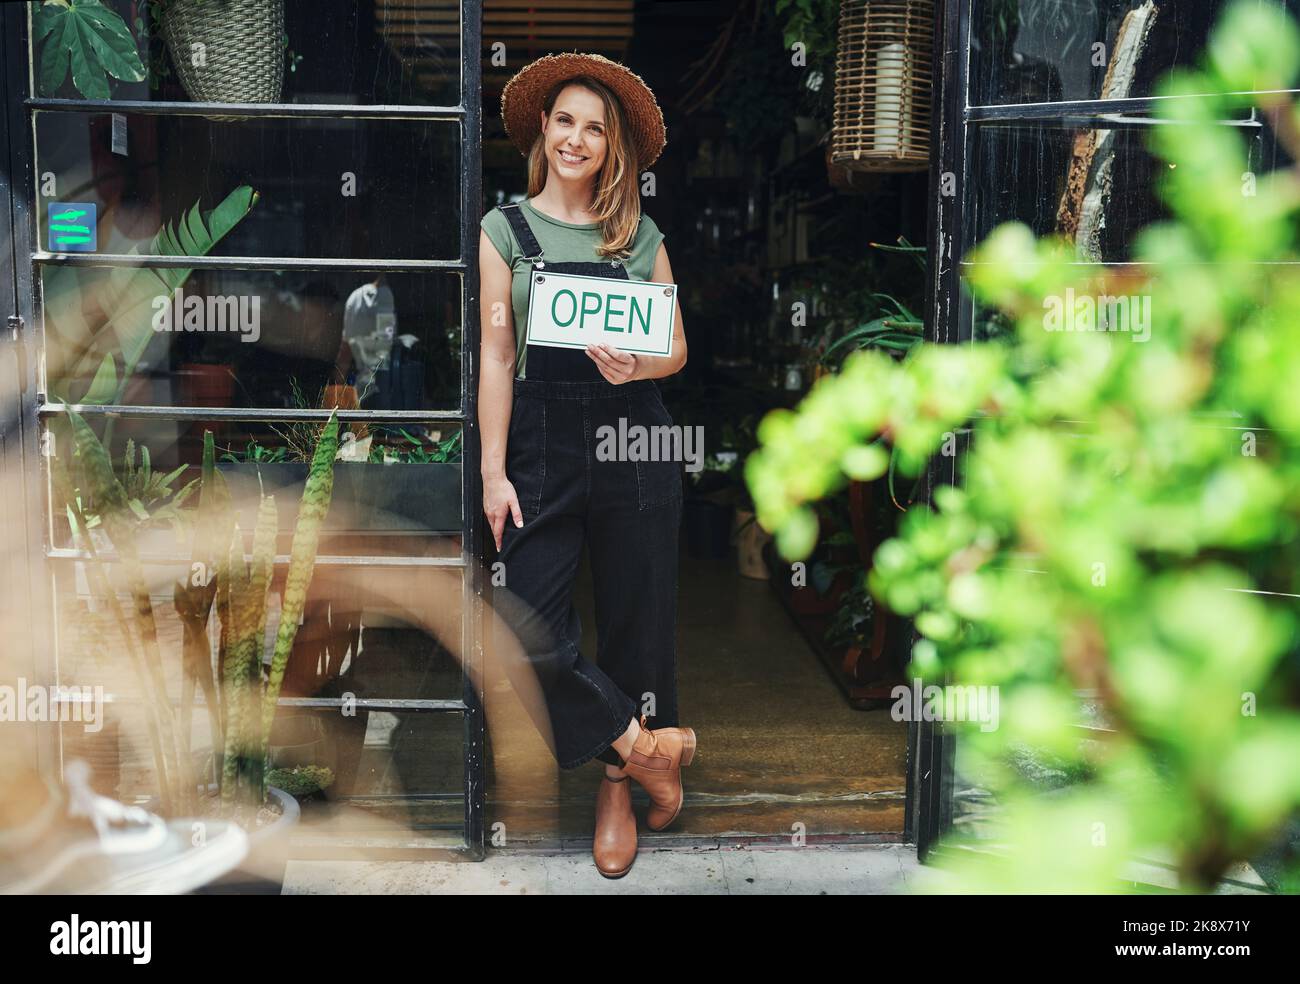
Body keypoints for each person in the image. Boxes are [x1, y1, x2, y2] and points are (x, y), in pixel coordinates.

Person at [478, 53, 695, 879]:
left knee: (638, 620)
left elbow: (677, 349)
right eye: (565, 121)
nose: (576, 138)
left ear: (612, 148)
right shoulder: (504, 231)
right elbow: (497, 356)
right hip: (538, 444)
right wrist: (493, 471)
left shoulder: (638, 237)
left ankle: (616, 792)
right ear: (543, 129)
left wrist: (637, 367)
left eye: (594, 129)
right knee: (522, 620)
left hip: (633, 437)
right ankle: (647, 750)